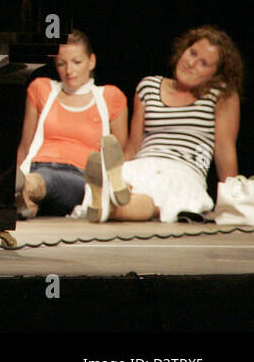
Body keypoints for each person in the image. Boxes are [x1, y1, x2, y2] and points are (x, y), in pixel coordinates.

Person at [90, 25, 242, 223]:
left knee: (156, 197)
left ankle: (111, 206)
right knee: (130, 180)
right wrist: (121, 167)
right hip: (144, 163)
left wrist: (233, 201)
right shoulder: (149, 86)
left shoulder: (222, 95)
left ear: (215, 74)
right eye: (192, 53)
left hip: (183, 169)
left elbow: (225, 150)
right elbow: (134, 146)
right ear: (183, 49)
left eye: (203, 63)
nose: (192, 63)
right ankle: (115, 188)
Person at [15, 32, 128, 218]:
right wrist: (16, 170)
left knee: (48, 181)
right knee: (41, 180)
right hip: (38, 165)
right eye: (61, 63)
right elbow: (25, 146)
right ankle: (26, 201)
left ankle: (23, 189)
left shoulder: (111, 97)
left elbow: (119, 155)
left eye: (77, 62)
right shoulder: (41, 88)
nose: (69, 71)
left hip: (80, 177)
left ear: (91, 61)